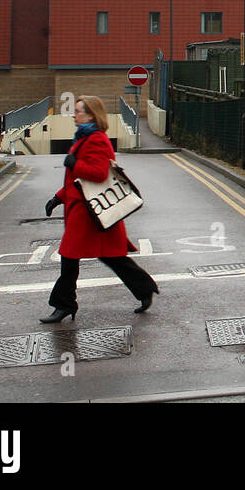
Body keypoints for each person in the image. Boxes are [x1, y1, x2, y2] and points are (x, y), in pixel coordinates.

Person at [40, 95, 159, 323]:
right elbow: (78, 182)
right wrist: (58, 197)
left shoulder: (96, 140)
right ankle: (144, 289)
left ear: (92, 115)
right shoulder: (83, 138)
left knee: (70, 257)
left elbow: (98, 174)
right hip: (86, 211)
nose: (74, 115)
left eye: (78, 111)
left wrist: (74, 163)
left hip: (90, 213)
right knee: (112, 257)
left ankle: (63, 304)